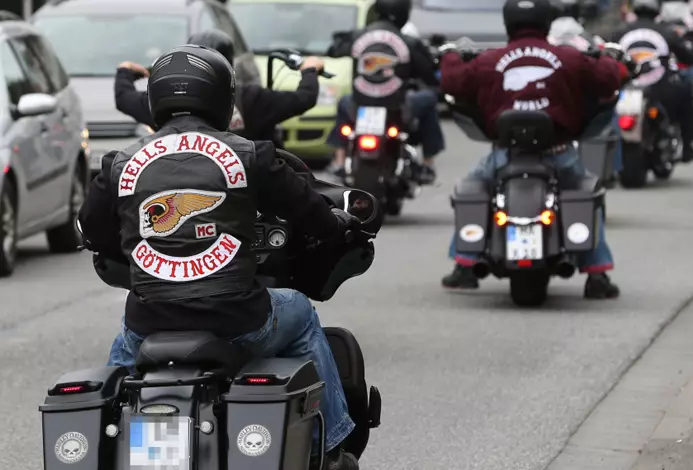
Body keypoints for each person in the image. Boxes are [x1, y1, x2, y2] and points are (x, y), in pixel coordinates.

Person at [80, 44, 361, 470]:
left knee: (118, 371)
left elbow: (95, 231)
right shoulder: (250, 154)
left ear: (155, 99)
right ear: (221, 98)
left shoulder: (120, 162)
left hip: (148, 325)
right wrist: (337, 225)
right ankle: (335, 445)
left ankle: (106, 448)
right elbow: (311, 213)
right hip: (239, 321)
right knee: (301, 311)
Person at [438, 0, 631, 299]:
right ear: (547, 22)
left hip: (505, 154)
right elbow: (608, 78)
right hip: (559, 153)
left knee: (475, 187)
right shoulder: (568, 57)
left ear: (507, 23)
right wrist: (608, 56)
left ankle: (464, 265)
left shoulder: (490, 60)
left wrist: (450, 55)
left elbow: (452, 82)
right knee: (587, 193)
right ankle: (597, 275)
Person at [114, 30, 325, 148]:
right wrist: (309, 71)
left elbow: (124, 98)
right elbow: (304, 97)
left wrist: (125, 71)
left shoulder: (162, 101)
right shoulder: (252, 99)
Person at [324, 0, 444, 182]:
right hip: (397, 107)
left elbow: (334, 49)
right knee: (428, 99)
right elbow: (428, 73)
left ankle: (339, 162)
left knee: (343, 102)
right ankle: (427, 163)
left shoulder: (358, 36)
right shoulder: (408, 42)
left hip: (359, 104)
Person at [611, 0, 693, 162]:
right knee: (686, 91)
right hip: (660, 91)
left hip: (625, 89)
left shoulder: (619, 33)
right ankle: (687, 145)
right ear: (657, 11)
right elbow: (689, 55)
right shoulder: (667, 32)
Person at [548, 3, 625, 177]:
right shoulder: (590, 39)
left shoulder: (541, 41)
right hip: (584, 102)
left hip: (548, 101)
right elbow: (609, 67)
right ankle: (615, 169)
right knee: (612, 115)